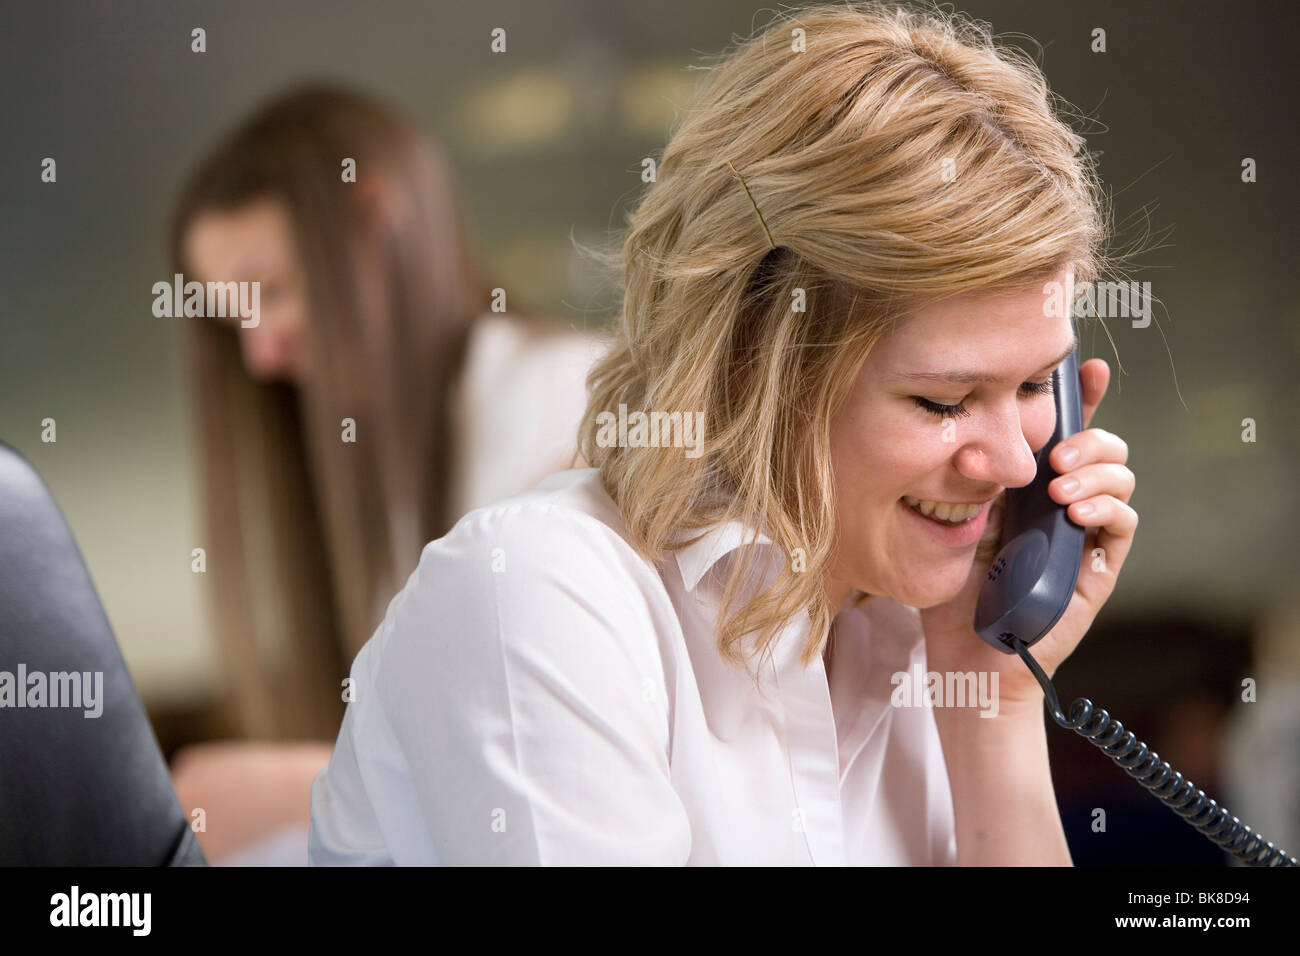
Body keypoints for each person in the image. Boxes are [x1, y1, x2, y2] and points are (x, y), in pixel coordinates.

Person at [308, 2, 1139, 865]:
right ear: (752, 365)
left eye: (1036, 384)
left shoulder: (920, 626)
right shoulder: (537, 600)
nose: (1012, 462)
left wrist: (992, 700)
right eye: (942, 401)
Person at [166, 83, 605, 863]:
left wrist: (285, 787)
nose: (260, 354)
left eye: (270, 292)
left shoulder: (575, 405)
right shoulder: (404, 492)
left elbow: (565, 753)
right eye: (237, 319)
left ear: (372, 215)